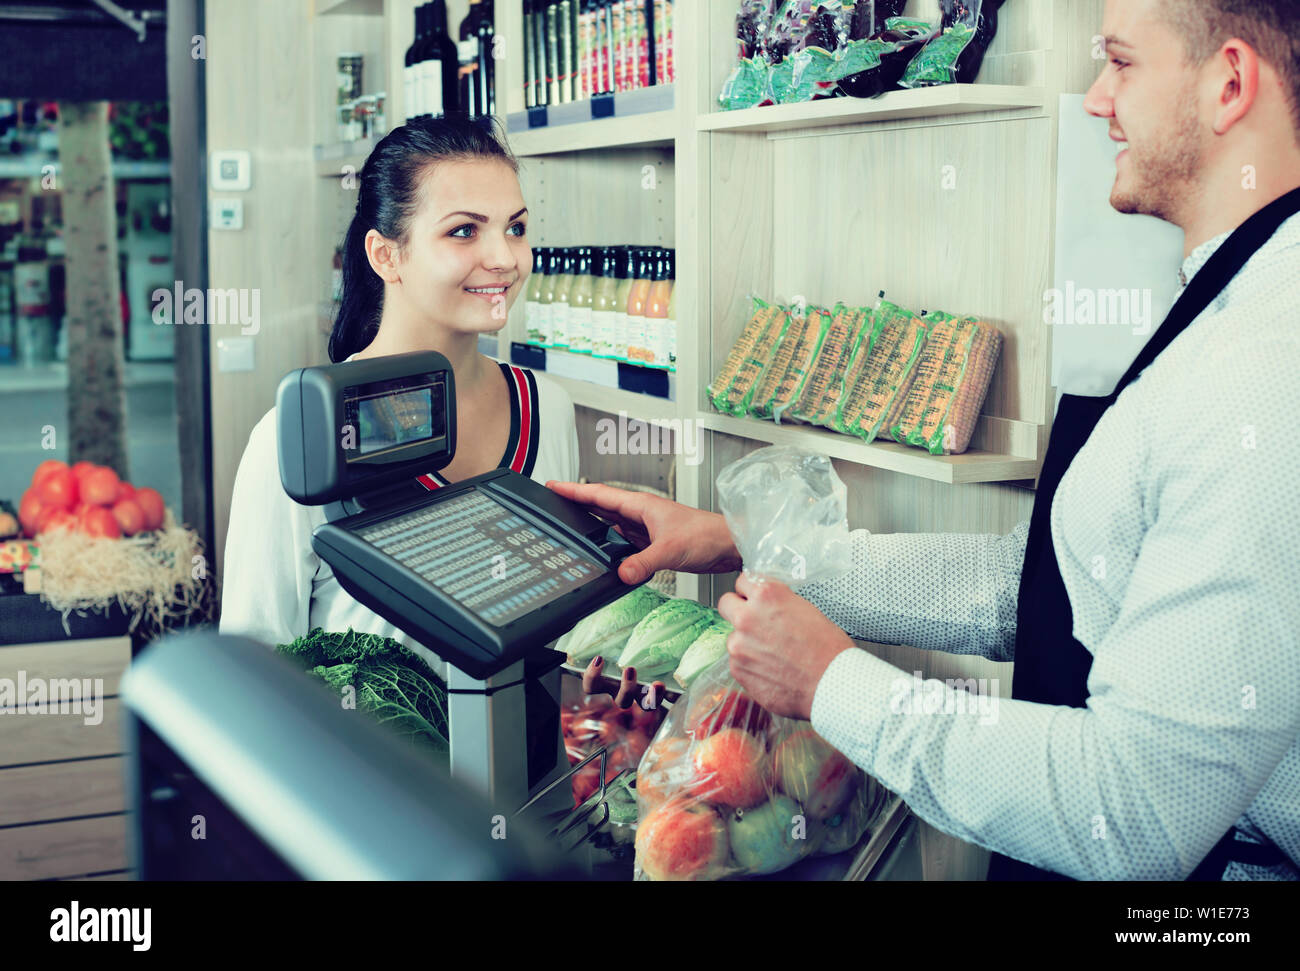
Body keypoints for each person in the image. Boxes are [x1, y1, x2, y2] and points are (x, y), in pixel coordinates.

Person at [550, 0, 1300, 881]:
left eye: (1122, 64)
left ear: (1231, 84)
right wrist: (748, 545)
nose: (1096, 99)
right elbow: (1042, 588)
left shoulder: (1263, 368)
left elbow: (1132, 811)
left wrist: (836, 687)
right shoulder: (1234, 302)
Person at [220, 116, 579, 680]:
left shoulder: (548, 408)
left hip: (530, 768)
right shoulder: (301, 437)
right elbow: (251, 675)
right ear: (386, 256)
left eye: (515, 228)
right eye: (464, 231)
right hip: (359, 769)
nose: (505, 258)